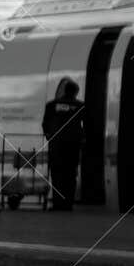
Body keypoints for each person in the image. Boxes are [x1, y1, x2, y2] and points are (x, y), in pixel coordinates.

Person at [41, 77, 85, 210]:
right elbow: (86, 125)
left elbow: (45, 124)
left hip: (56, 145)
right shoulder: (80, 106)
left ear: (65, 90)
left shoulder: (51, 105)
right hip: (73, 145)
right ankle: (68, 204)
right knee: (71, 174)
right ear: (76, 92)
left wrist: (49, 136)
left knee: (57, 175)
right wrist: (81, 138)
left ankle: (57, 204)